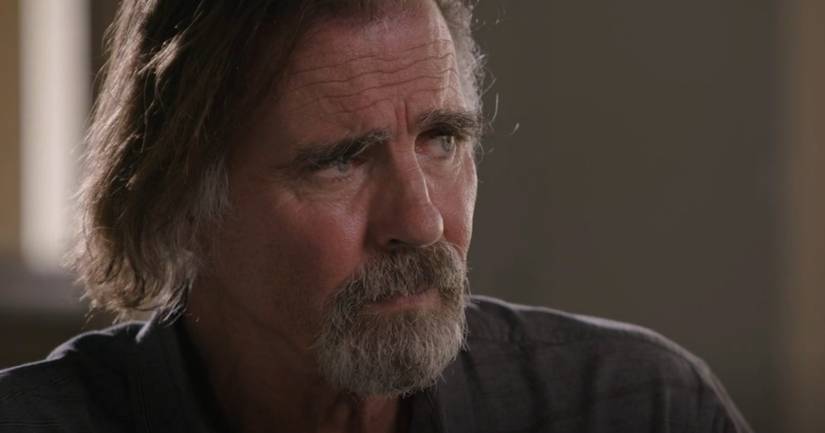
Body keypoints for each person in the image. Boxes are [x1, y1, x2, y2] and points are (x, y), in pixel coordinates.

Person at [0, 1, 753, 432]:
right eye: (341, 161)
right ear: (180, 201)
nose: (422, 223)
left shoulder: (631, 406)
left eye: (441, 139)